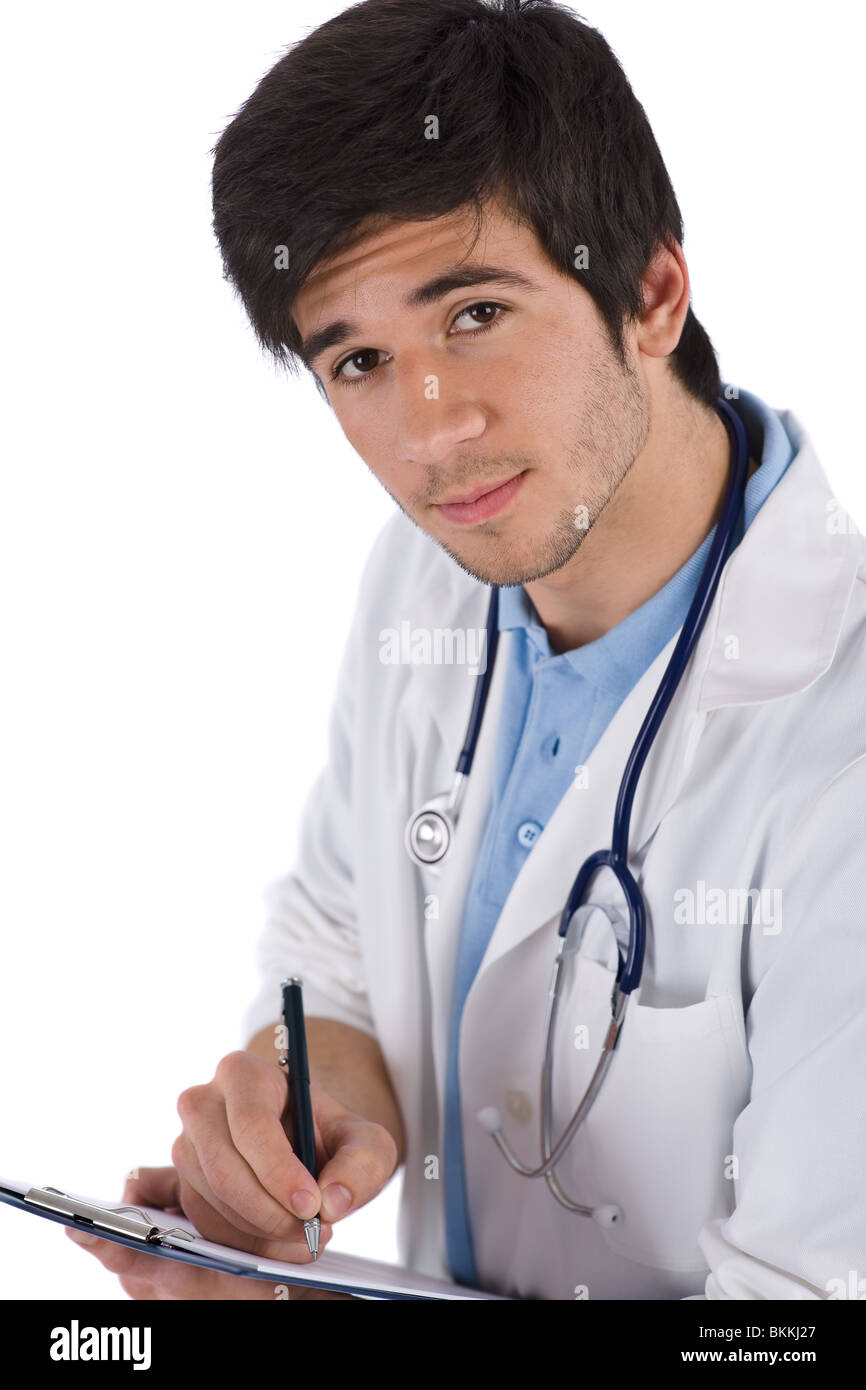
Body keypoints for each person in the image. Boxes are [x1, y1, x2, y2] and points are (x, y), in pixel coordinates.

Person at [68, 0, 866, 1300]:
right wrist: (315, 1090)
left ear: (651, 291)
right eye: (361, 357)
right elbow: (337, 930)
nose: (430, 428)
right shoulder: (433, 578)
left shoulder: (839, 733)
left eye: (475, 313)